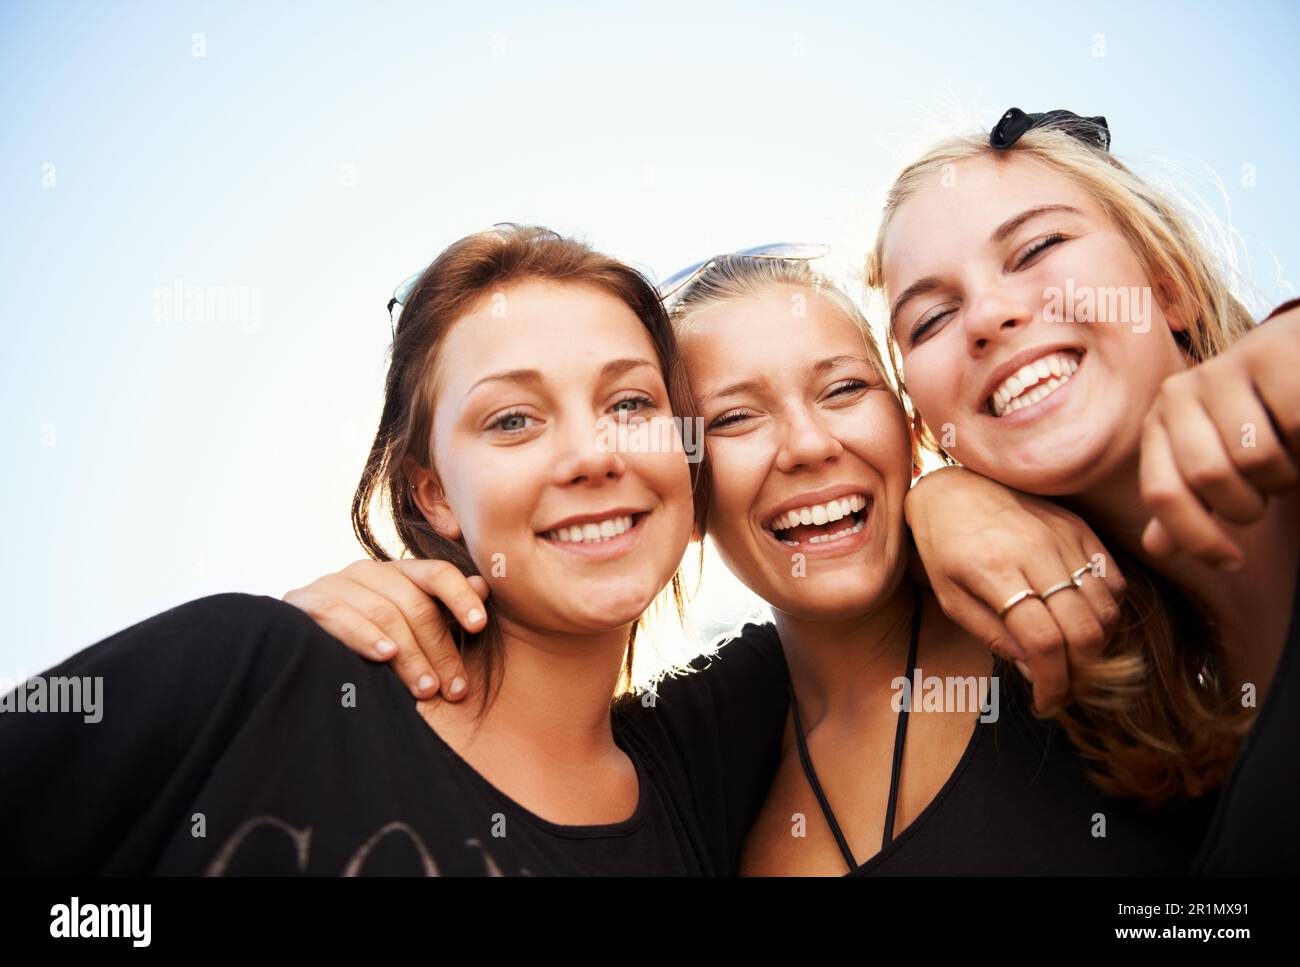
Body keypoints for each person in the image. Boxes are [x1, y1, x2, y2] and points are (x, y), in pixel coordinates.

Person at [297, 253, 1210, 874]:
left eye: (845, 389)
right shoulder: (696, 763)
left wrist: (949, 491)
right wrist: (335, 616)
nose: (809, 444)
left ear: (907, 421)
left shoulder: (1068, 576)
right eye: (734, 417)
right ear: (683, 485)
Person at [0, 225, 788, 876]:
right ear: (432, 493)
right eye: (513, 419)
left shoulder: (706, 774)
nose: (591, 454)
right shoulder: (250, 673)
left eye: (629, 402)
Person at [868, 107, 1300, 872]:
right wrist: (928, 498)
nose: (991, 316)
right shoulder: (1119, 738)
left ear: (1167, 288)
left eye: (1037, 247)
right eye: (931, 318)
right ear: (930, 425)